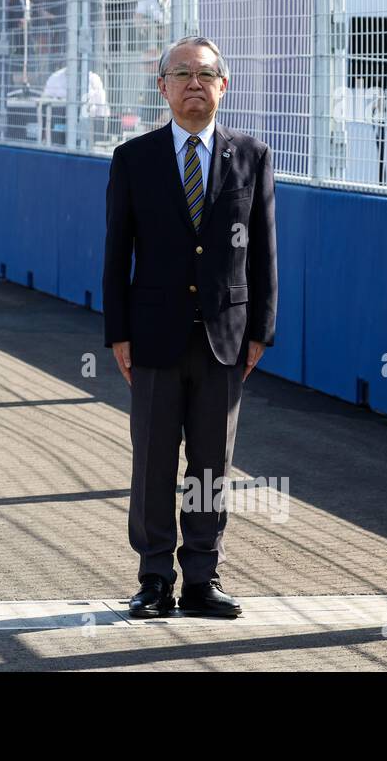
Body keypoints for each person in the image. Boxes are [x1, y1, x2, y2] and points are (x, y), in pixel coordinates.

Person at [103, 36, 277, 620]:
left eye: (206, 73)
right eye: (181, 73)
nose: (194, 83)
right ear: (162, 87)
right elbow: (115, 254)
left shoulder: (252, 156)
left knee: (212, 464)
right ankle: (154, 577)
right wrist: (118, 334)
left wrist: (260, 332)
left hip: (226, 340)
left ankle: (202, 576)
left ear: (223, 86)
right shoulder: (134, 158)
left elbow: (264, 253)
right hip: (152, 337)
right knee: (152, 462)